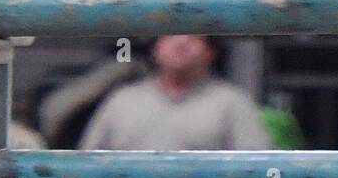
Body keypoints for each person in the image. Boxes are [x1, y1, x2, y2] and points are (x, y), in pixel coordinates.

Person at [78, 35, 271, 150]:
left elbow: (258, 170)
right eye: (171, 35)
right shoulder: (122, 100)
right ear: (156, 49)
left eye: (193, 37)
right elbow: (88, 162)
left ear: (210, 53)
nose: (181, 43)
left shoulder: (233, 102)